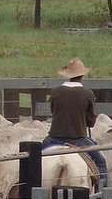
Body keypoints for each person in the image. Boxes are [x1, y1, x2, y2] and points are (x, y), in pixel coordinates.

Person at [43, 57, 107, 185]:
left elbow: (53, 111)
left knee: (32, 160)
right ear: (82, 75)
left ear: (68, 75)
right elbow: (91, 121)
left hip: (54, 138)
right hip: (78, 139)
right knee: (101, 162)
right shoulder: (87, 94)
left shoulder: (56, 91)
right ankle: (101, 193)